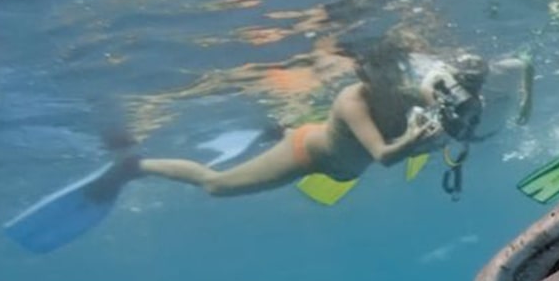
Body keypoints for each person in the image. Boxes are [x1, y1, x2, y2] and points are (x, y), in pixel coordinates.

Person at [135, 43, 486, 197]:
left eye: (395, 69)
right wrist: (413, 137)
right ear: (364, 73)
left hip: (341, 165)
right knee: (216, 185)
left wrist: (465, 107)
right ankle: (137, 165)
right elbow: (383, 156)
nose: (390, 77)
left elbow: (446, 105)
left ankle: (277, 129)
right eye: (381, 71)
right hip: (307, 155)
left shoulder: (403, 91)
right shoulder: (353, 101)